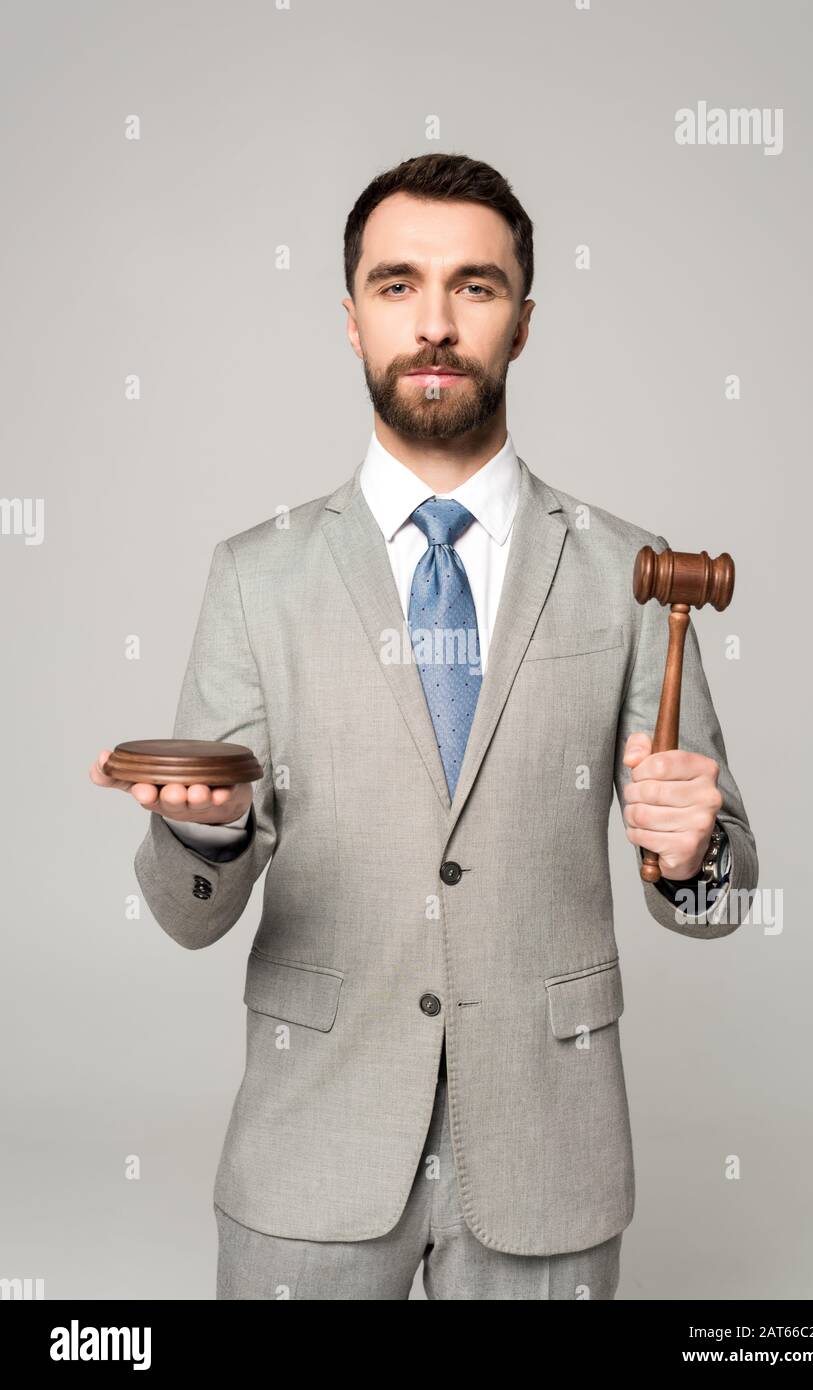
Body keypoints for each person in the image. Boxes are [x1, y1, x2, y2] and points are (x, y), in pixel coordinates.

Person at [90, 152, 758, 1300]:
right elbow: (185, 914)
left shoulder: (633, 571)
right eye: (398, 285)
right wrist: (206, 836)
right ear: (351, 319)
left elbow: (726, 891)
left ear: (525, 321)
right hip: (314, 1152)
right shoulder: (257, 574)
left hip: (548, 1155)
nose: (436, 323)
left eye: (476, 288)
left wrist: (695, 849)